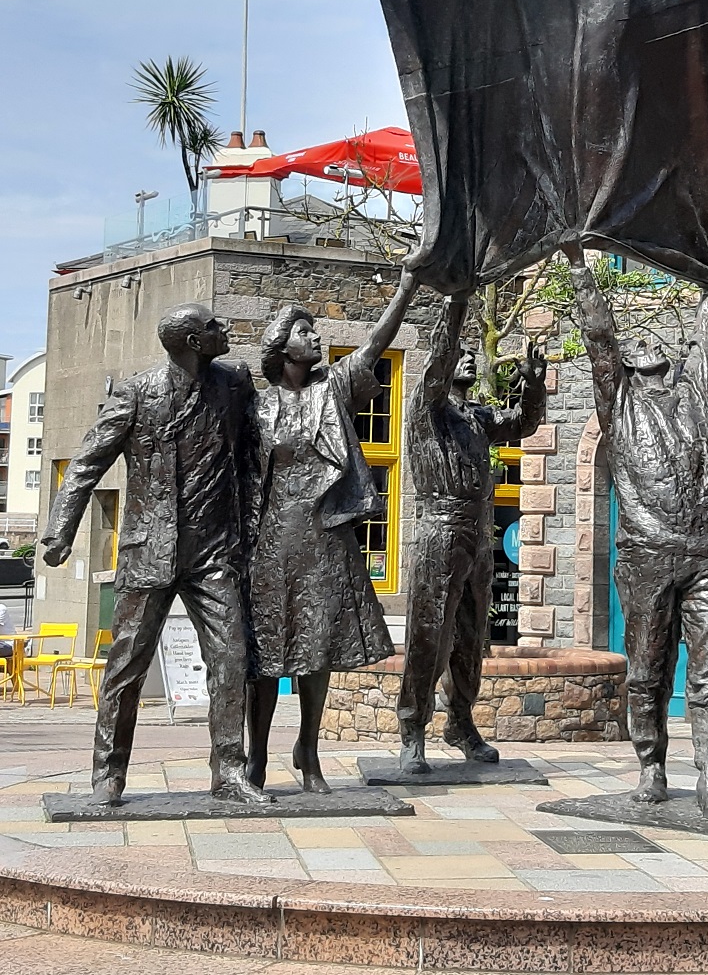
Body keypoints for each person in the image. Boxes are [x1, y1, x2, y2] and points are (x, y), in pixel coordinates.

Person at [40, 305, 267, 807]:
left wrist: (253, 528)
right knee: (126, 666)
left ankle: (229, 772)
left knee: (231, 659)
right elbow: (86, 463)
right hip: (150, 550)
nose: (225, 329)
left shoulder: (234, 383)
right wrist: (60, 531)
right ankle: (108, 774)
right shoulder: (137, 393)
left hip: (214, 552)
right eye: (213, 326)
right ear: (193, 341)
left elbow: (253, 457)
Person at [564, 244, 708, 818]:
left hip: (704, 557)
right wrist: (579, 267)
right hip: (645, 558)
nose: (647, 341)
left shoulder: (695, 395)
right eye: (636, 345)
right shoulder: (617, 404)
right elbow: (599, 340)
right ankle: (651, 766)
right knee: (647, 669)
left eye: (655, 342)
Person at [246, 268, 418, 794]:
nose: (316, 336)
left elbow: (375, 345)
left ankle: (310, 750)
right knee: (266, 654)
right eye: (305, 331)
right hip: (270, 539)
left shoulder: (332, 390)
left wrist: (407, 286)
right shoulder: (255, 406)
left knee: (316, 647)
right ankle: (256, 756)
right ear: (281, 345)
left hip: (324, 535)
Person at [397, 295, 547, 775]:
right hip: (439, 529)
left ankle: (461, 722)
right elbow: (439, 357)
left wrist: (533, 385)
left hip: (478, 533)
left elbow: (523, 423)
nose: (466, 359)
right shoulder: (429, 410)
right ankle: (412, 728)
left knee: (471, 635)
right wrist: (457, 299)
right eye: (457, 354)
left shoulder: (478, 417)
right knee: (429, 635)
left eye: (471, 355)